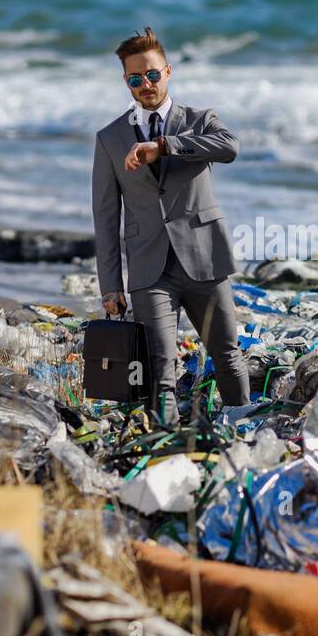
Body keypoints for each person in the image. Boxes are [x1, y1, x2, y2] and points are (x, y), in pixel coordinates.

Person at [90, 26, 250, 426]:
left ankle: (244, 430)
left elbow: (230, 147)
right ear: (125, 82)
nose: (145, 84)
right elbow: (106, 217)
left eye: (152, 74)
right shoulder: (109, 139)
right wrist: (110, 286)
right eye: (135, 78)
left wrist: (162, 146)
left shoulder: (199, 120)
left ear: (168, 71)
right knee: (159, 371)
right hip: (149, 270)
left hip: (205, 259)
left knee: (227, 355)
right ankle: (166, 449)